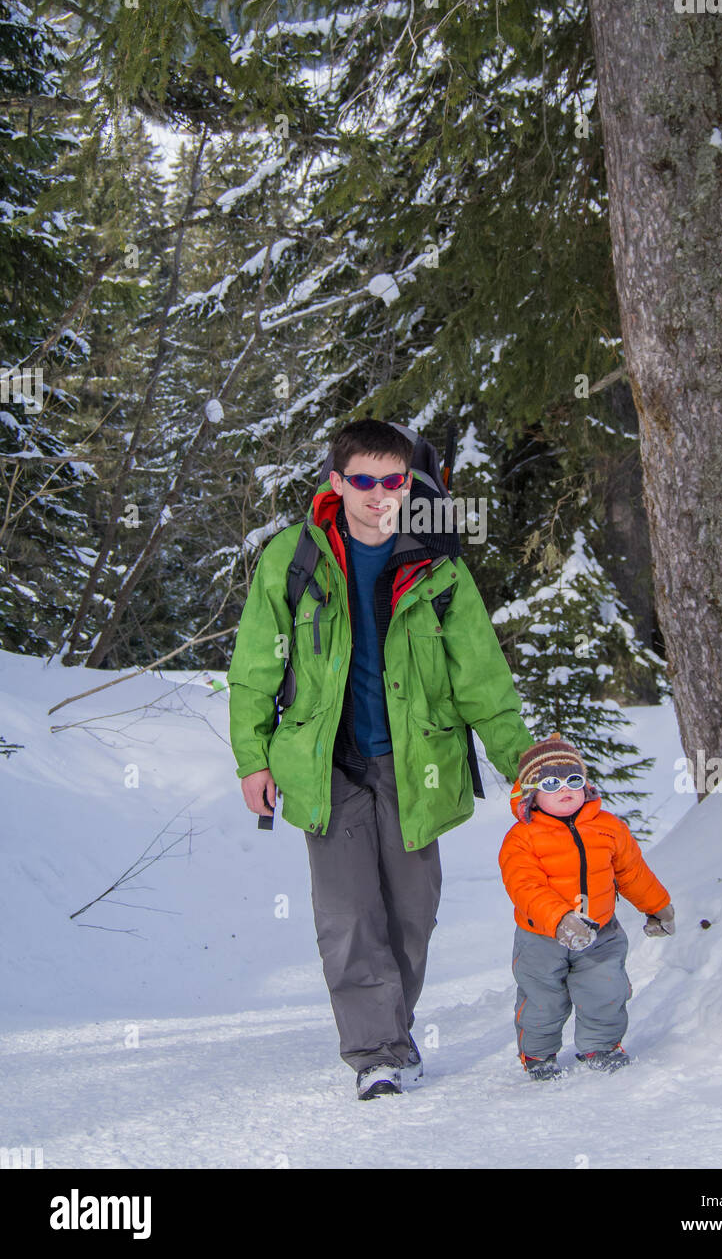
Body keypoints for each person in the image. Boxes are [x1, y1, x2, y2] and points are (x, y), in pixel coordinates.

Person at [227, 418, 534, 1100]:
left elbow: (481, 679)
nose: (377, 494)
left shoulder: (438, 566)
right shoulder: (292, 557)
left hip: (415, 762)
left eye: (390, 481)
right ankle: (376, 1052)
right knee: (347, 916)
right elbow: (254, 665)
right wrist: (254, 758)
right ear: (337, 483)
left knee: (411, 915)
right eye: (362, 481)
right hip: (325, 763)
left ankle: (394, 1022)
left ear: (405, 484)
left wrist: (525, 763)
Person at [499, 733, 675, 1080]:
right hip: (542, 939)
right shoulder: (522, 838)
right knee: (543, 1000)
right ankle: (538, 1055)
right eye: (552, 782)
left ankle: (601, 1046)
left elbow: (632, 873)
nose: (565, 788)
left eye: (574, 779)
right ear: (533, 792)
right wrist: (559, 919)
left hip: (601, 931)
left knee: (606, 989)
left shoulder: (608, 828)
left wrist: (657, 906)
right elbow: (524, 887)